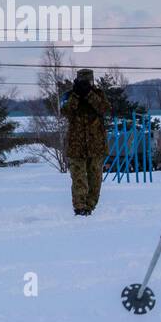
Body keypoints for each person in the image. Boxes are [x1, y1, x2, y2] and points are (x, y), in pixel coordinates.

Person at [62, 68, 110, 216]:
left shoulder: (98, 95)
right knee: (79, 179)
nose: (85, 83)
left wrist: (89, 94)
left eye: (87, 81)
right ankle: (80, 208)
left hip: (96, 147)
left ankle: (89, 206)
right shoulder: (70, 96)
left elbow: (104, 109)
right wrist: (76, 95)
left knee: (95, 181)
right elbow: (65, 111)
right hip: (76, 147)